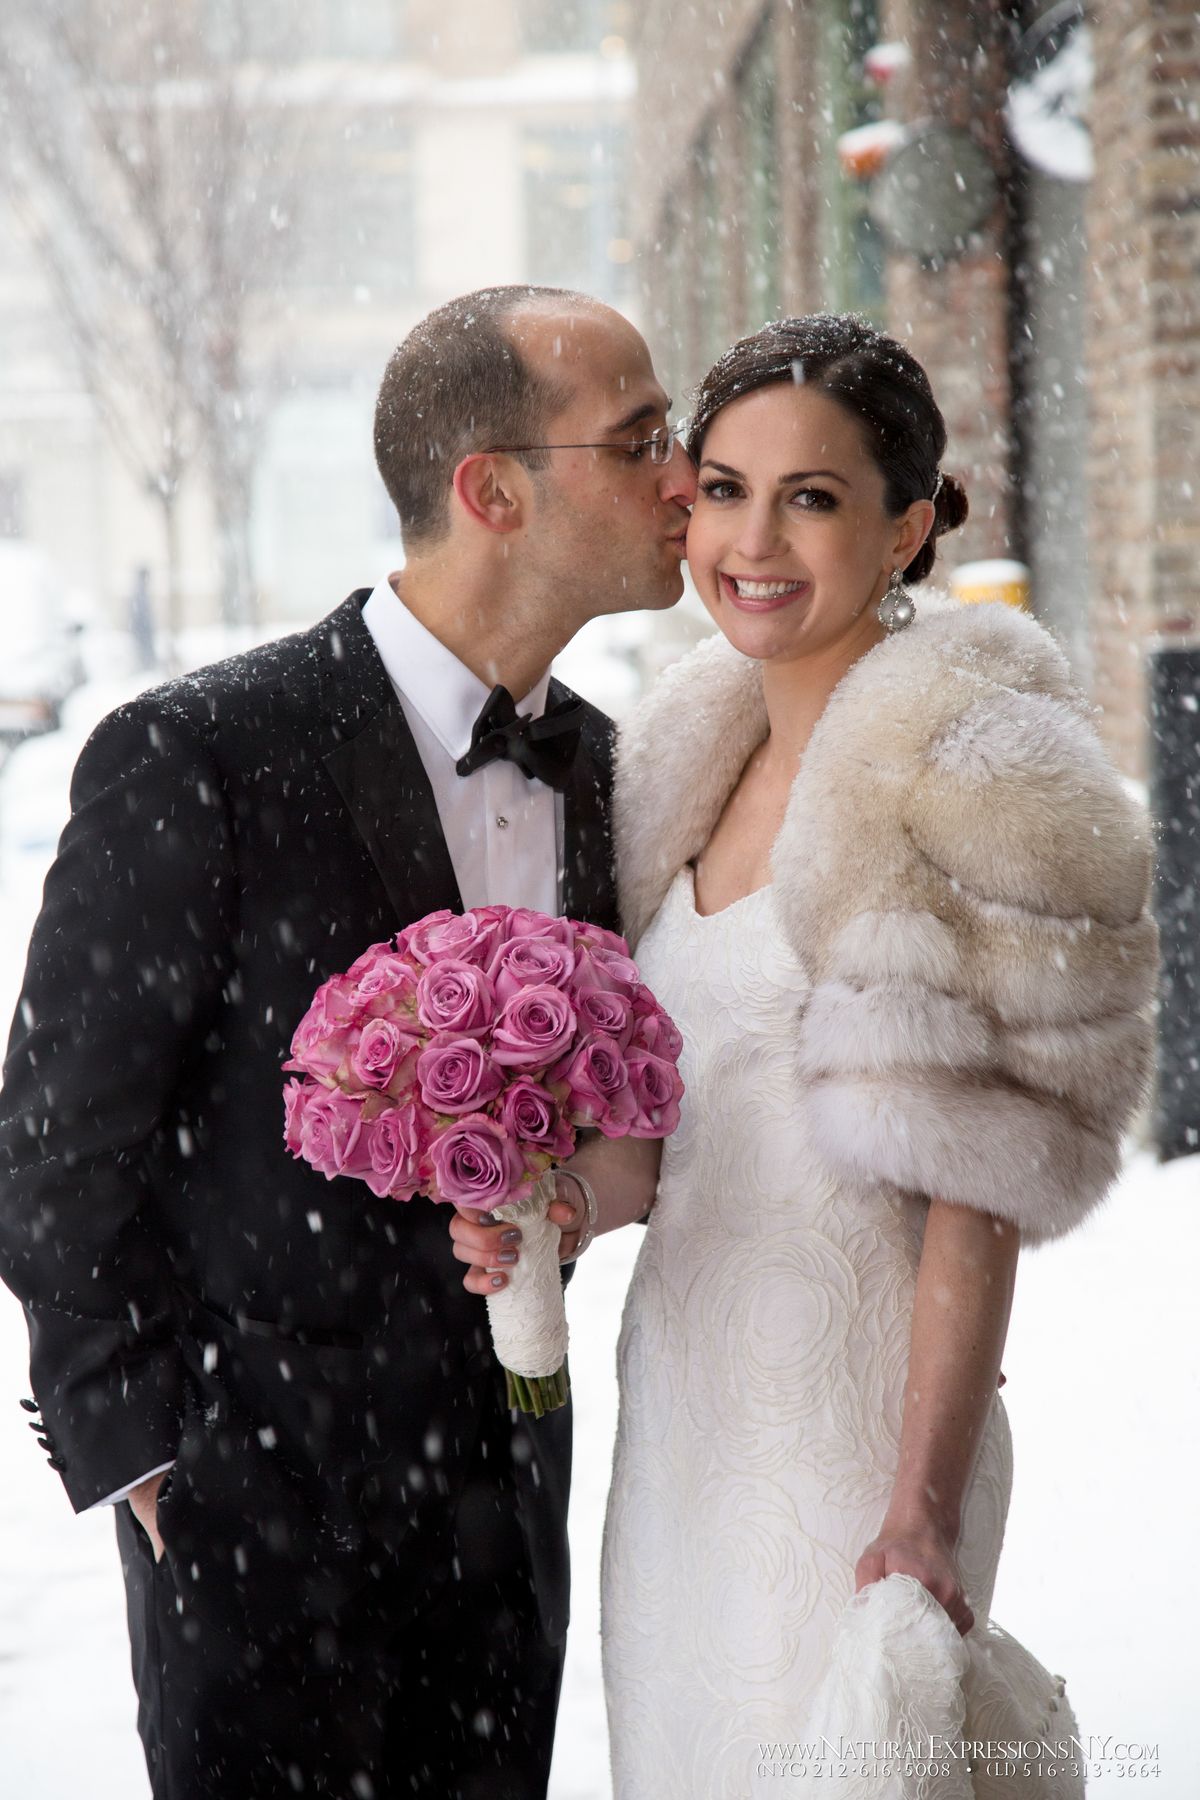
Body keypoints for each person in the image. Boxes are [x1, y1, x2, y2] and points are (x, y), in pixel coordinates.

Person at [0, 283, 694, 1800]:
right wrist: (149, 1461)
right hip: (252, 1503)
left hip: (509, 1489)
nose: (685, 476)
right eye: (641, 437)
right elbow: (56, 1146)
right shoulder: (200, 753)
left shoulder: (610, 775)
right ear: (491, 490)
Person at [597, 314, 1157, 1794]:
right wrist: (535, 1211)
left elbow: (978, 1187)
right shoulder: (676, 765)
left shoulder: (967, 761)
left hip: (863, 1424)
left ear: (909, 526)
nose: (754, 539)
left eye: (813, 496)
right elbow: (679, 1134)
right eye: (723, 488)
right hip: (685, 1411)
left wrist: (915, 1507)